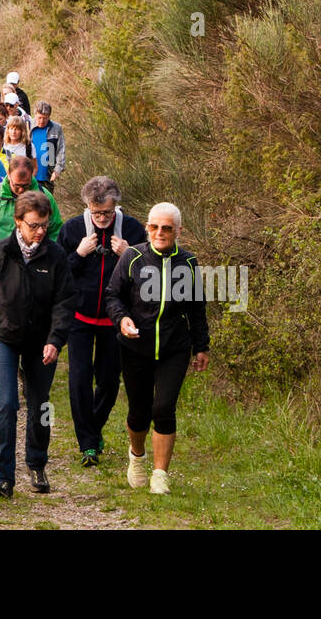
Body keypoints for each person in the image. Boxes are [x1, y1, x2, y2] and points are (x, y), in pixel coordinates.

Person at [104, 202, 209, 496]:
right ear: (147, 227)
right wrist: (122, 319)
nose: (159, 233)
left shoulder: (188, 263)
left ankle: (161, 474)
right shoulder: (131, 256)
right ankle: (137, 457)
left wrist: (202, 346)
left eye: (166, 228)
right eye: (154, 227)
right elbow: (113, 296)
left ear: (177, 231)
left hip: (175, 348)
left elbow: (196, 307)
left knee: (163, 408)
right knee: (139, 412)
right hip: (136, 346)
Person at [0, 191, 75, 498]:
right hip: (5, 339)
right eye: (34, 225)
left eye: (45, 225)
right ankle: (3, 477)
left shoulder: (56, 256)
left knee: (41, 403)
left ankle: (37, 462)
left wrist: (55, 340)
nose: (40, 232)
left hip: (42, 342)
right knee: (7, 404)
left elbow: (65, 302)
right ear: (18, 222)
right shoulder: (0, 252)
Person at [59, 177, 147, 466]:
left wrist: (129, 255)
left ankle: (93, 428)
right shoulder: (72, 229)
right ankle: (88, 444)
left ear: (116, 207)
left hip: (116, 319)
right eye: (96, 214)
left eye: (107, 214)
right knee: (79, 379)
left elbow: (149, 278)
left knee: (108, 381)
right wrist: (78, 254)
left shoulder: (133, 229)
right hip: (80, 317)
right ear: (87, 207)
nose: (102, 219)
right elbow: (60, 276)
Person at [0, 155, 63, 244]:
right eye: (16, 185)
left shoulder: (45, 197)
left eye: (25, 185)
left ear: (32, 175)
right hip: (2, 255)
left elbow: (56, 230)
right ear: (8, 175)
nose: (21, 190)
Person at [30, 103, 66, 193]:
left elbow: (61, 149)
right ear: (35, 115)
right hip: (30, 173)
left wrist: (57, 169)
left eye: (45, 118)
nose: (41, 121)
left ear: (49, 117)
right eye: (39, 118)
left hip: (48, 174)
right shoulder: (28, 126)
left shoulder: (56, 128)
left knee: (46, 203)